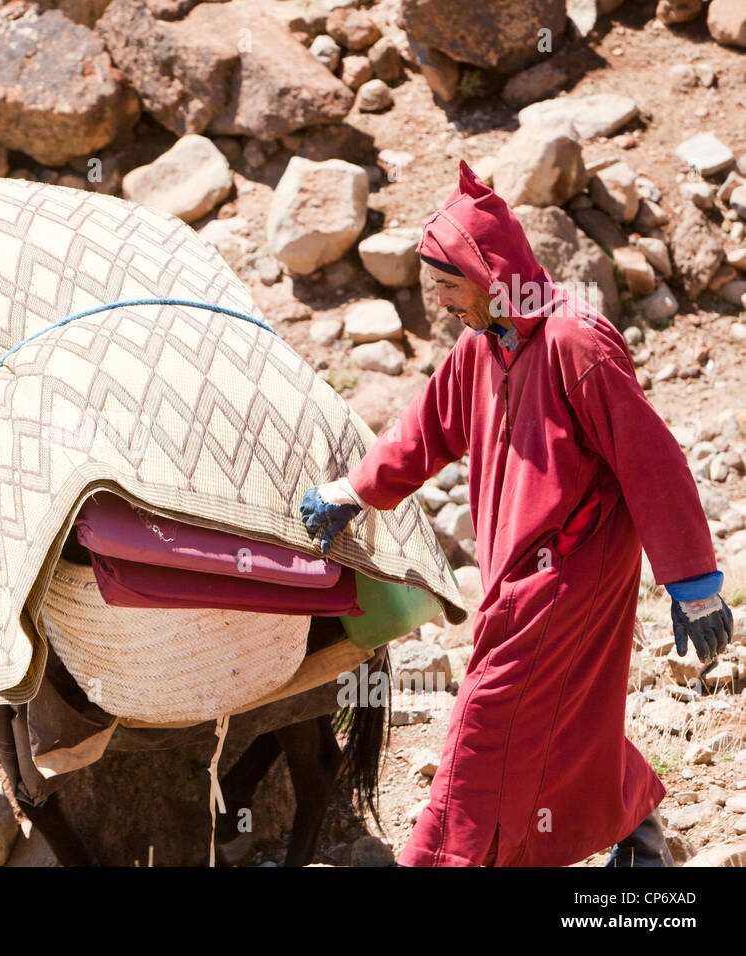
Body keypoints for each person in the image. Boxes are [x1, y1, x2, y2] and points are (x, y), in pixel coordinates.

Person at [299, 160, 733, 867]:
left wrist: (693, 583)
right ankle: (636, 837)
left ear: (490, 275)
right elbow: (426, 429)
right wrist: (353, 492)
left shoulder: (576, 342)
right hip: (518, 566)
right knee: (561, 708)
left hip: (572, 566)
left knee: (487, 720)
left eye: (447, 286)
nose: (441, 303)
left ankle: (442, 859)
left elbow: (652, 462)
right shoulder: (482, 347)